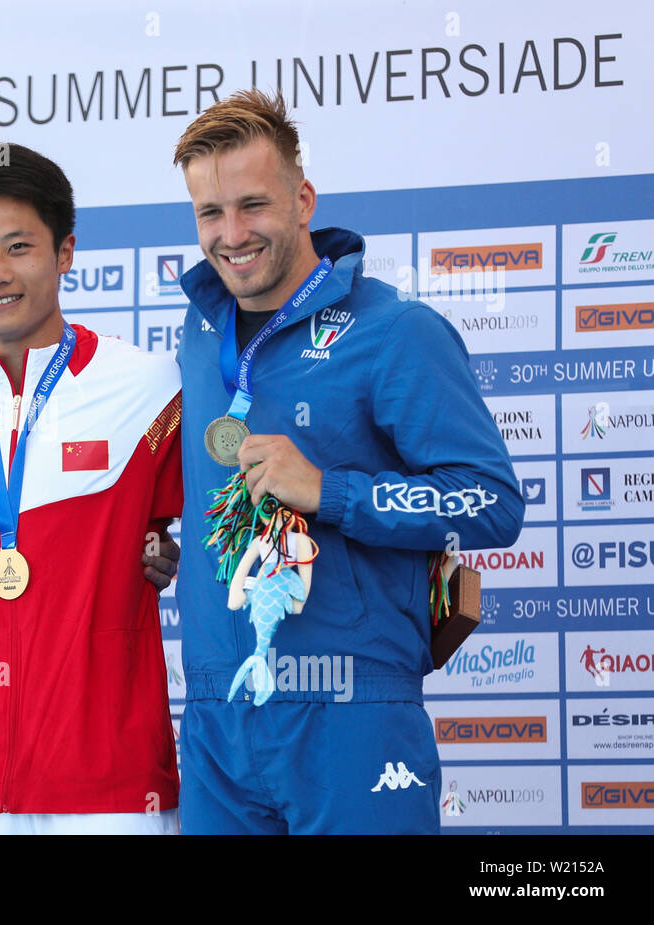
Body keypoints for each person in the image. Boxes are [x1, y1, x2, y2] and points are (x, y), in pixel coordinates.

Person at [169, 89, 524, 834]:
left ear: (303, 199)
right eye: (210, 212)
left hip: (351, 710)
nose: (231, 234)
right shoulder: (200, 333)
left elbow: (491, 500)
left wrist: (331, 491)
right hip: (218, 712)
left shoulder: (395, 330)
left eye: (253, 205)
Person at [0, 143, 183, 834]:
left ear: (65, 252)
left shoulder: (152, 385)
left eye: (19, 246)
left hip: (116, 789)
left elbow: (215, 526)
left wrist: (165, 548)